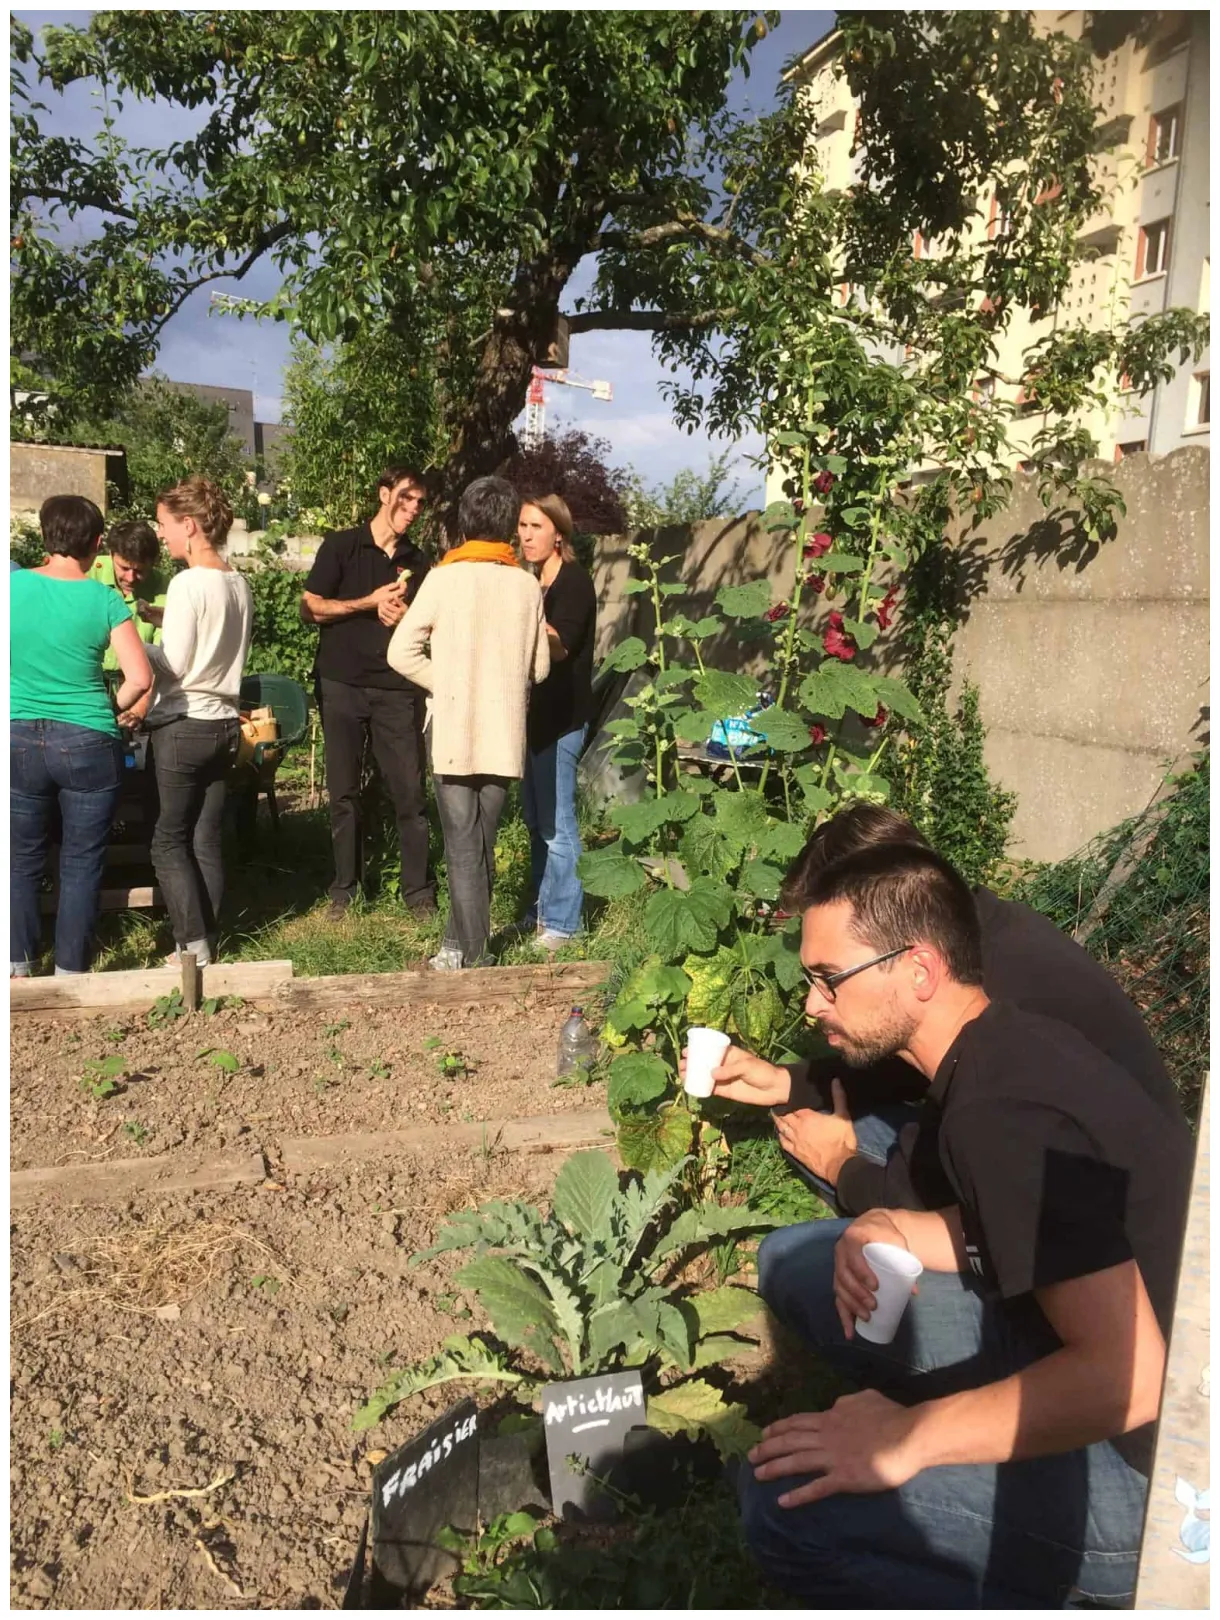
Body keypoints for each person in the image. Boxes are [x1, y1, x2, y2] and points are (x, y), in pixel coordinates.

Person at [737, 840, 1193, 1607]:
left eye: (828, 980)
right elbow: (1055, 1229)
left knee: (779, 1509)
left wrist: (908, 1438)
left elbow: (1130, 1380)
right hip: (1121, 1362)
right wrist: (896, 1227)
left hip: (1166, 1479)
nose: (812, 1005)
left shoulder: (998, 1113)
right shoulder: (1000, 1045)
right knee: (803, 1267)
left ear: (918, 970)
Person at [695, 802, 1182, 1215]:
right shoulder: (980, 938)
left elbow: (944, 1159)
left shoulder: (999, 1003)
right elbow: (906, 1046)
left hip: (1102, 1215)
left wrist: (840, 1165)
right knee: (818, 1126)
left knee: (803, 1249)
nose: (810, 1002)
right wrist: (787, 1082)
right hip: (1111, 1169)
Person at [388, 476, 549, 970]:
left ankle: (474, 958)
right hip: (503, 729)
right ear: (507, 527)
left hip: (455, 726)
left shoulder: (442, 577)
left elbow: (401, 652)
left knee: (462, 844)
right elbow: (539, 668)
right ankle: (456, 946)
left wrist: (449, 683)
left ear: (465, 522)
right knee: (482, 841)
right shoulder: (526, 584)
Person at [11, 495, 152, 976]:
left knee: (21, 854)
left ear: (46, 536)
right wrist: (106, 710)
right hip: (88, 740)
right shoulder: (105, 599)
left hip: (18, 737)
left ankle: (18, 962)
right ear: (96, 545)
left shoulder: (11, 588)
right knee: (81, 858)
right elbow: (139, 679)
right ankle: (71, 969)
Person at [300, 466, 435, 921]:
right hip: (341, 682)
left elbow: (431, 622)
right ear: (384, 495)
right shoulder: (342, 545)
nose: (413, 509)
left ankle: (418, 892)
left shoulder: (420, 561)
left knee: (409, 793)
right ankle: (345, 889)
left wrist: (405, 617)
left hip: (397, 687)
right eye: (406, 498)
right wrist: (367, 602)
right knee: (343, 792)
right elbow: (310, 608)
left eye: (420, 502)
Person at [144, 476, 253, 968]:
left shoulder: (187, 582)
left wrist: (131, 643)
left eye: (164, 524)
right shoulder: (237, 581)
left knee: (168, 840)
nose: (161, 534)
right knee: (206, 838)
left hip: (185, 722)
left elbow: (175, 663)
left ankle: (190, 946)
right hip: (226, 725)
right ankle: (210, 938)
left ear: (189, 525)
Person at [516, 495, 597, 951]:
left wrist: (526, 625)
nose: (526, 535)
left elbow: (560, 646)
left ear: (558, 534)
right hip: (531, 719)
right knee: (535, 819)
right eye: (522, 526)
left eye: (535, 526)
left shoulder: (574, 584)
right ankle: (542, 911)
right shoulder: (534, 583)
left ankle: (565, 924)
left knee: (558, 824)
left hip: (562, 719)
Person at [90, 519, 170, 675]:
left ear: (153, 563)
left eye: (140, 571)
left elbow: (163, 645)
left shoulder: (163, 587)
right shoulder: (90, 574)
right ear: (111, 554)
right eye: (124, 568)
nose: (130, 578)